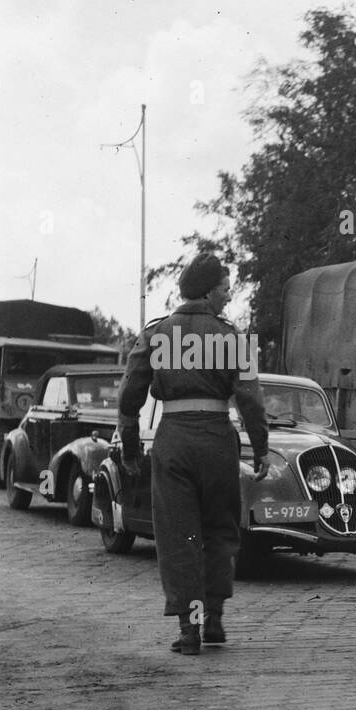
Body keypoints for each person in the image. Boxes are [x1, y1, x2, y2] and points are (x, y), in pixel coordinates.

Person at [117, 253, 269, 655]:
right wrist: (261, 449)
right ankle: (214, 618)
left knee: (178, 534)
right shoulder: (230, 336)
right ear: (206, 292)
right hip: (217, 440)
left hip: (174, 442)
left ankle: (190, 629)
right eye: (224, 290)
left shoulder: (157, 333)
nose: (228, 297)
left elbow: (129, 398)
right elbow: (251, 399)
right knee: (220, 530)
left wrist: (130, 449)